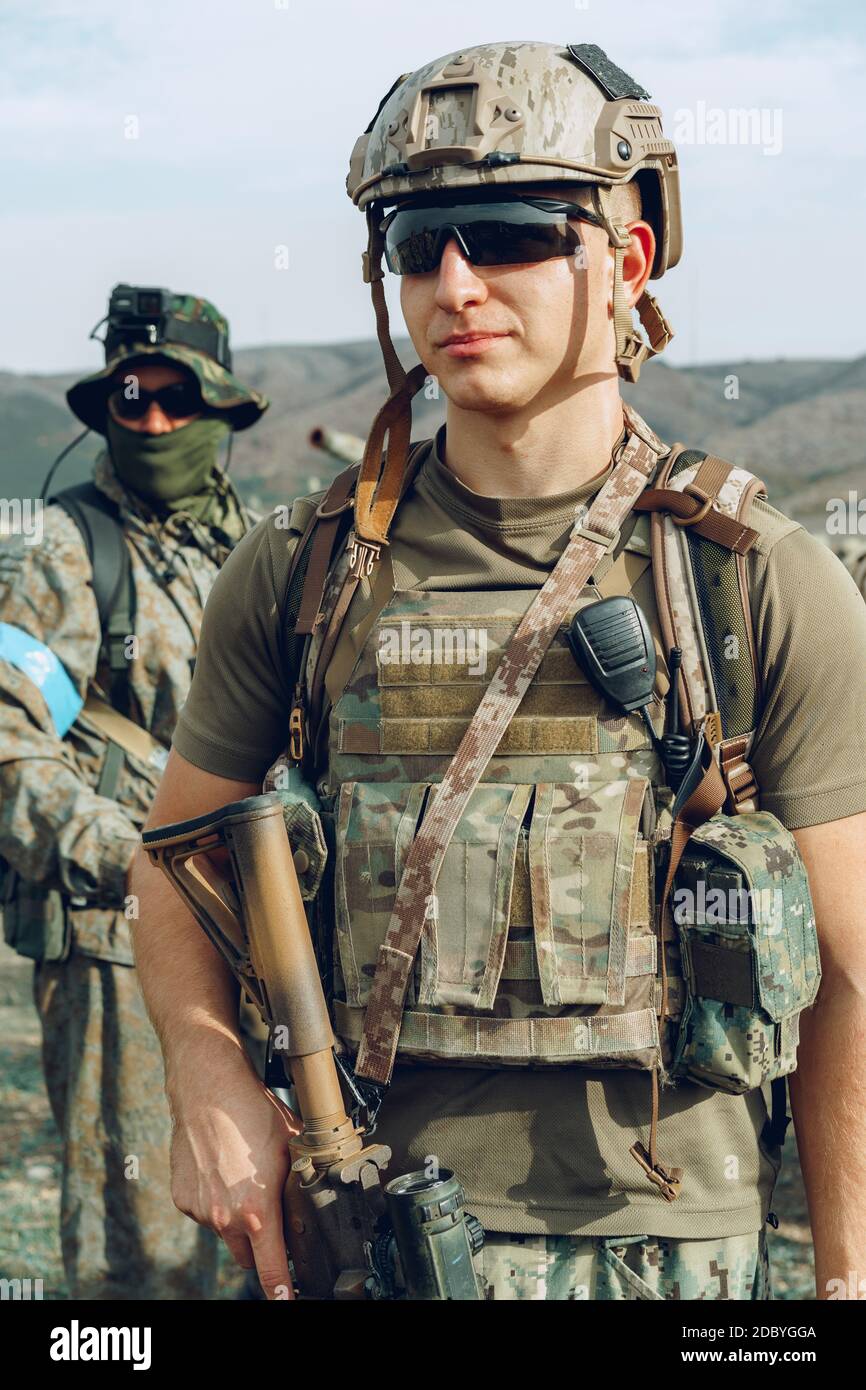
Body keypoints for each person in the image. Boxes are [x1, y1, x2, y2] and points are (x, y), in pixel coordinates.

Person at [131, 43, 866, 1301]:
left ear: (623, 265)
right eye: (416, 245)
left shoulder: (748, 579)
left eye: (511, 231)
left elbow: (851, 971)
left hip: (666, 1250)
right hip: (361, 1230)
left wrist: (847, 1274)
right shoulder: (300, 573)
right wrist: (208, 1082)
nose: (454, 282)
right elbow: (174, 866)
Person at [0, 286, 267, 1299]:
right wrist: (131, 862)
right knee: (144, 1245)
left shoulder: (259, 549)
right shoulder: (72, 553)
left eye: (176, 399)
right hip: (117, 941)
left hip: (266, 929)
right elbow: (8, 737)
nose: (153, 420)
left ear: (221, 410)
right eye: (130, 398)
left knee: (268, 1213)